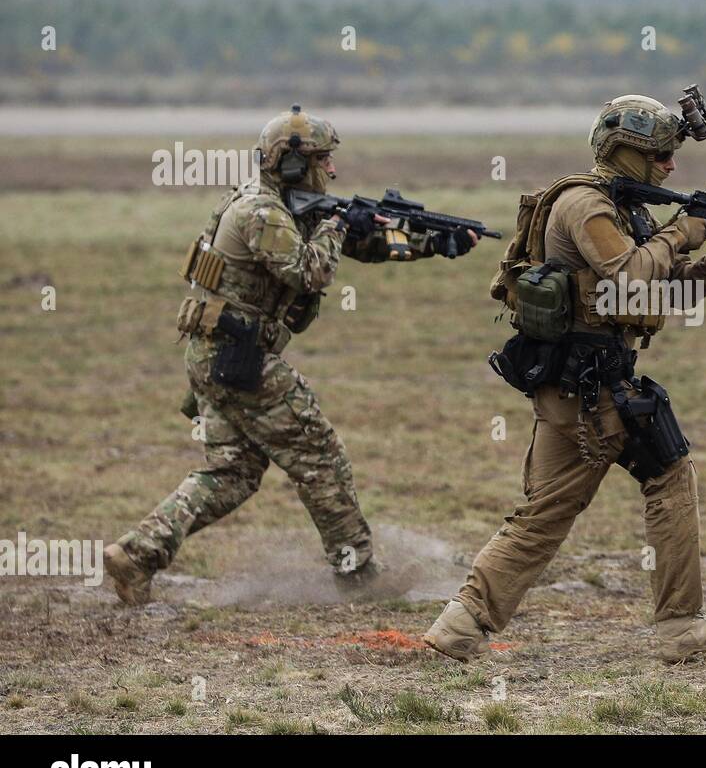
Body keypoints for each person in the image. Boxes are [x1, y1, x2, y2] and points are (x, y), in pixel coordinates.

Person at [424, 93, 706, 663]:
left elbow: (658, 288)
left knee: (546, 514)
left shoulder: (623, 207)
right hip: (591, 386)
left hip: (580, 384)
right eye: (658, 156)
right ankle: (679, 628)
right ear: (622, 151)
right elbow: (631, 272)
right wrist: (684, 233)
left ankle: (460, 626)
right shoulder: (586, 205)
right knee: (669, 477)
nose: (669, 166)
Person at [103, 105, 477, 604]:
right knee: (319, 454)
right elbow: (309, 272)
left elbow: (361, 246)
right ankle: (358, 575)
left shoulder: (283, 203)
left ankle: (137, 554)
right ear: (294, 163)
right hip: (237, 356)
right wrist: (340, 223)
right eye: (324, 159)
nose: (334, 170)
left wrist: (431, 243)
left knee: (232, 474)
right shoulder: (262, 211)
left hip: (221, 353)